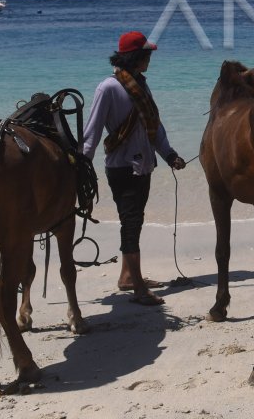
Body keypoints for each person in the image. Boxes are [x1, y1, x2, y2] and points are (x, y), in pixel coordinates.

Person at [81, 31, 188, 306]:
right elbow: (91, 132)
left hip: (144, 166)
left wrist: (169, 155)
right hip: (122, 168)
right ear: (135, 57)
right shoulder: (108, 88)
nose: (149, 59)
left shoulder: (141, 85)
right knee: (130, 225)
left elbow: (155, 125)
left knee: (135, 221)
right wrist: (82, 169)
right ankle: (138, 288)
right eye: (146, 54)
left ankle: (128, 278)